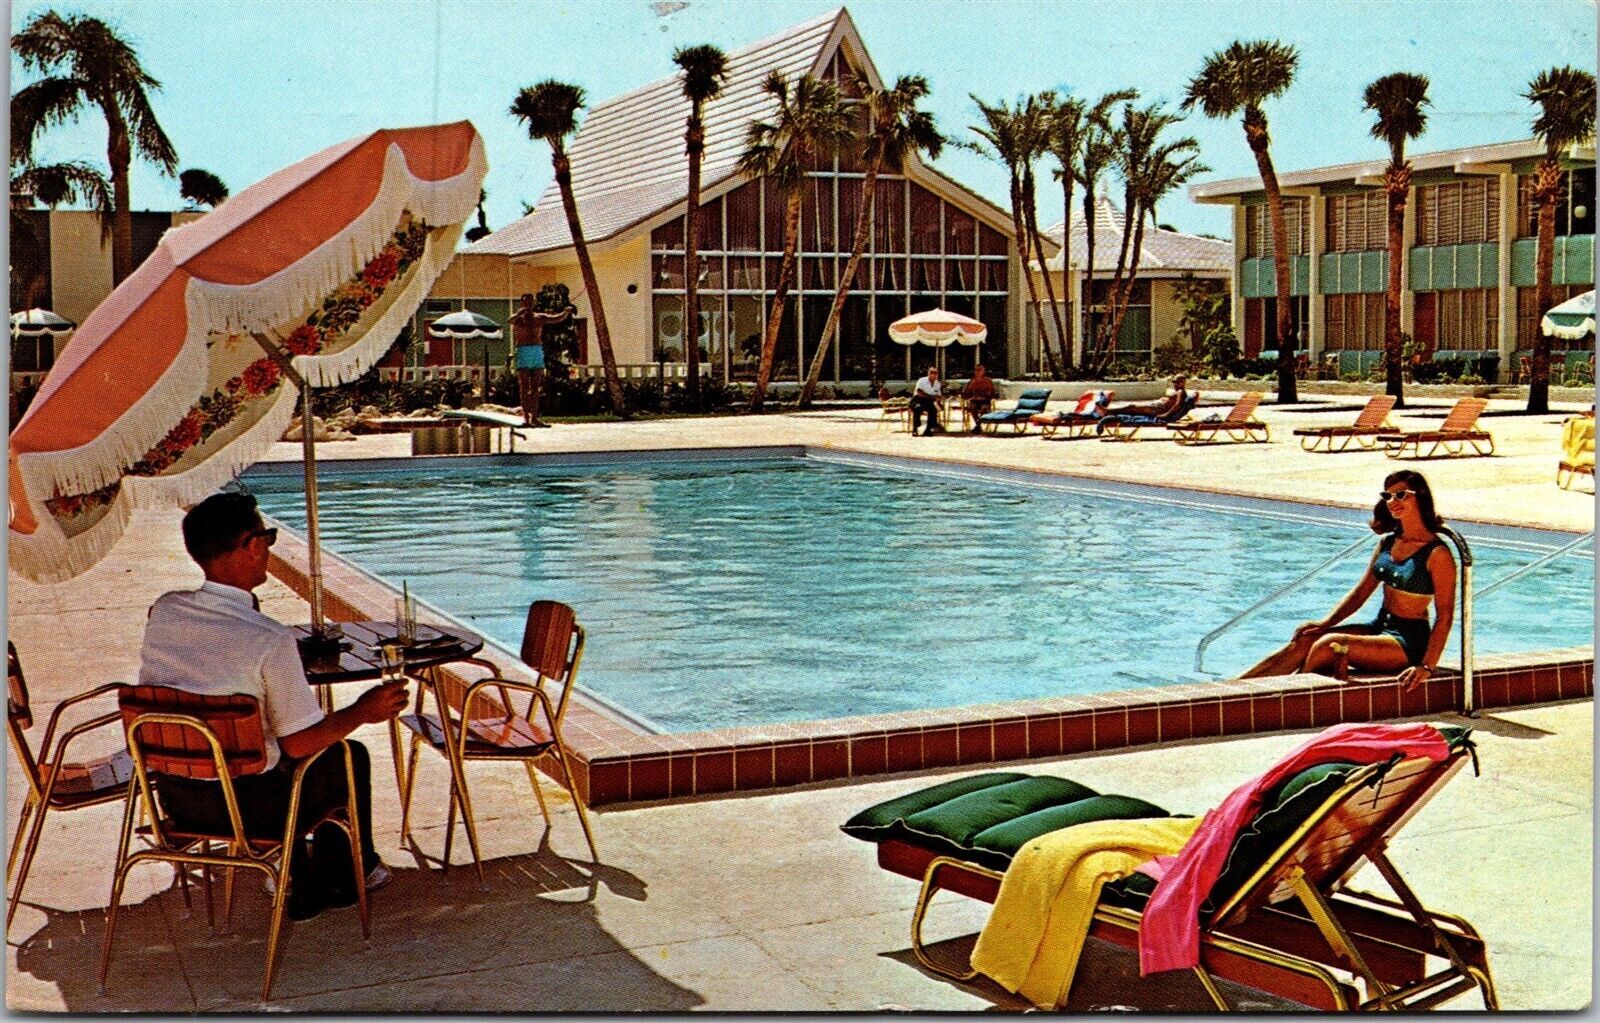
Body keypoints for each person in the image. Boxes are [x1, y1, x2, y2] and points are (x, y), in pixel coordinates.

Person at [139, 491, 409, 921]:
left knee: (278, 753)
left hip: (180, 799)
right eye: (266, 537)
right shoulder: (270, 639)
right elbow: (301, 743)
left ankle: (304, 867)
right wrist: (365, 710)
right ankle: (343, 875)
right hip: (255, 810)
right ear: (251, 545)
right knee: (345, 754)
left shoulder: (165, 612)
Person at [1240, 470, 1455, 690]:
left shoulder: (1437, 553)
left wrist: (1427, 666)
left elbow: (1445, 614)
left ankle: (1285, 701)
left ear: (1420, 495)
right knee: (1306, 640)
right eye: (1388, 496)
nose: (1393, 502)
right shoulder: (1388, 543)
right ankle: (1233, 690)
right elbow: (1360, 594)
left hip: (1408, 643)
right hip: (1379, 628)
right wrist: (1325, 624)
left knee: (1326, 645)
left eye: (1401, 495)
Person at [510, 292, 575, 427]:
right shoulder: (518, 319)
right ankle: (525, 418)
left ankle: (535, 417)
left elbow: (556, 318)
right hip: (523, 350)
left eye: (530, 301)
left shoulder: (539, 317)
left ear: (533, 303)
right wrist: (519, 313)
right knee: (524, 386)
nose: (528, 303)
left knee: (535, 386)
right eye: (525, 301)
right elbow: (509, 321)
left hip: (536, 351)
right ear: (522, 303)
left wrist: (566, 312)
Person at [1107, 374, 1188, 420]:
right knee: (1133, 409)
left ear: (1183, 383)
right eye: (1174, 382)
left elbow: (1178, 405)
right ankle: (1110, 412)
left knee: (1132, 407)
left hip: (1158, 408)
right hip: (1157, 406)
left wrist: (1166, 415)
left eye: (1177, 382)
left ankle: (1108, 412)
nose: (1174, 384)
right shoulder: (1179, 391)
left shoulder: (1181, 391)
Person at [960, 364, 998, 433]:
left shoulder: (988, 381)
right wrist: (971, 397)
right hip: (974, 401)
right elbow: (966, 393)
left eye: (979, 370)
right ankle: (978, 426)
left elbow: (992, 394)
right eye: (976, 370)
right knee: (972, 408)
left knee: (984, 409)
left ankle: (977, 426)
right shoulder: (972, 381)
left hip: (985, 401)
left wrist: (983, 397)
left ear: (984, 371)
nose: (977, 372)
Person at [910, 366, 943, 436]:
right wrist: (932, 396)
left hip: (929, 402)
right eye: (932, 372)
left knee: (933, 410)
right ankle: (915, 429)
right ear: (928, 373)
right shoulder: (922, 380)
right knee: (917, 408)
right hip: (918, 400)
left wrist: (938, 401)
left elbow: (939, 396)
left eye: (935, 373)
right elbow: (919, 393)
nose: (933, 374)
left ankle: (928, 429)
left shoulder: (938, 384)